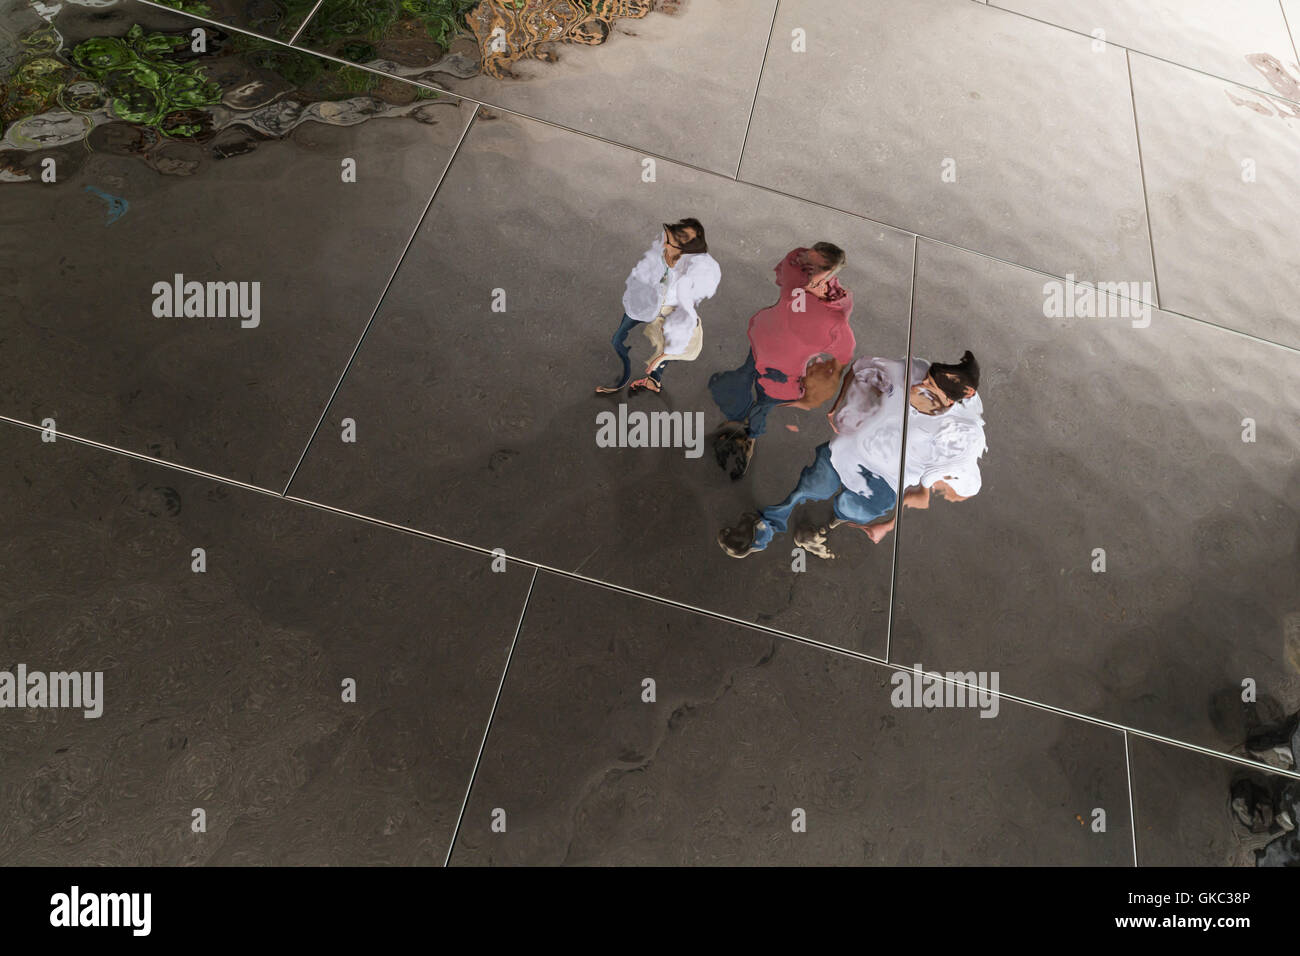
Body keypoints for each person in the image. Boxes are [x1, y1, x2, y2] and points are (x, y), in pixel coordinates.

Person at [717, 351, 986, 559]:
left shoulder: (961, 434)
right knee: (807, 488)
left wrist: (889, 525)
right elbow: (862, 366)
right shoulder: (910, 371)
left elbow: (924, 493)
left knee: (851, 509)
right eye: (926, 377)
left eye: (931, 386)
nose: (921, 384)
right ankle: (766, 527)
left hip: (885, 483)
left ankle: (822, 527)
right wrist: (836, 409)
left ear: (951, 401)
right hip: (849, 452)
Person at [709, 242, 854, 479]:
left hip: (783, 367)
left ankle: (751, 437)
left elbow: (842, 352)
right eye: (806, 258)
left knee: (765, 402)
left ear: (828, 273)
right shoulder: (795, 270)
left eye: (813, 267)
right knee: (747, 378)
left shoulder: (834, 312)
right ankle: (739, 415)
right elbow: (792, 267)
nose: (805, 266)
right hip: (763, 345)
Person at [595, 219, 721, 395]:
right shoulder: (662, 252)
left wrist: (663, 356)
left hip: (667, 312)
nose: (664, 242)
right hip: (644, 304)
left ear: (682, 249)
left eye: (668, 241)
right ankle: (626, 376)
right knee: (618, 339)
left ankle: (652, 380)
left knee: (665, 344)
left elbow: (684, 320)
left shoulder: (691, 273)